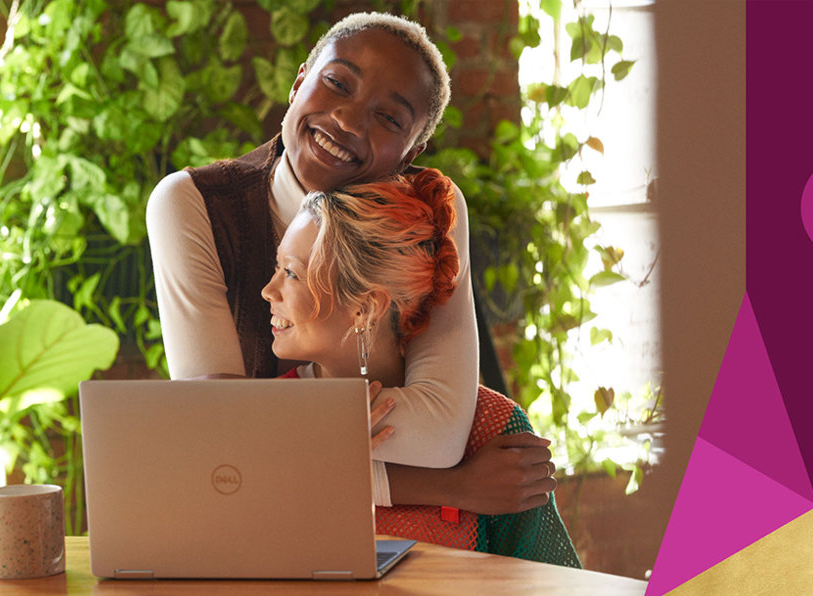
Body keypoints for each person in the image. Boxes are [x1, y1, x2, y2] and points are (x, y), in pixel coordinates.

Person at [146, 12, 554, 514]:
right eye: (338, 83)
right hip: (252, 526)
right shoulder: (193, 203)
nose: (347, 119)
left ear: (412, 152)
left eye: (388, 118)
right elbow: (217, 435)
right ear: (298, 84)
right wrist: (449, 487)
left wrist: (268, 430)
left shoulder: (430, 212)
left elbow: (438, 430)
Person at [262, 167, 580, 567]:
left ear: (365, 308)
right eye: (279, 268)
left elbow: (558, 592)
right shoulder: (265, 418)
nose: (268, 290)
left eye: (291, 273)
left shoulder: (492, 429)